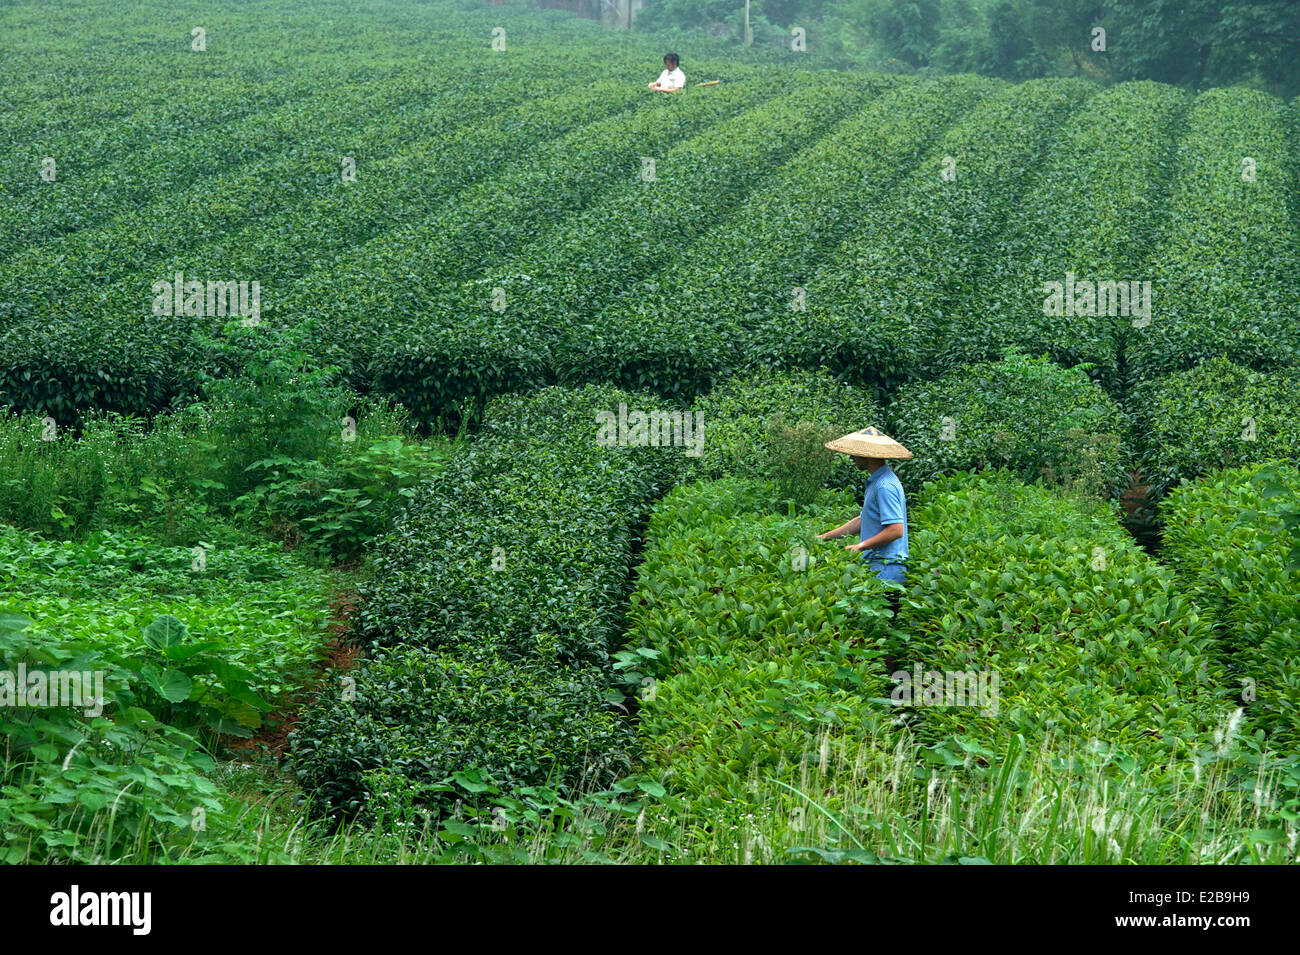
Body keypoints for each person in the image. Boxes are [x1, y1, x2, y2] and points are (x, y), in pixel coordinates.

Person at [818, 427, 912, 613]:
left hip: (887, 570)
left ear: (867, 456)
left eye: (855, 454)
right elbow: (863, 521)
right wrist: (825, 537)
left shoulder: (885, 486)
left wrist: (860, 546)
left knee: (883, 631)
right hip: (877, 567)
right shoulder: (877, 482)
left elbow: (895, 530)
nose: (852, 458)